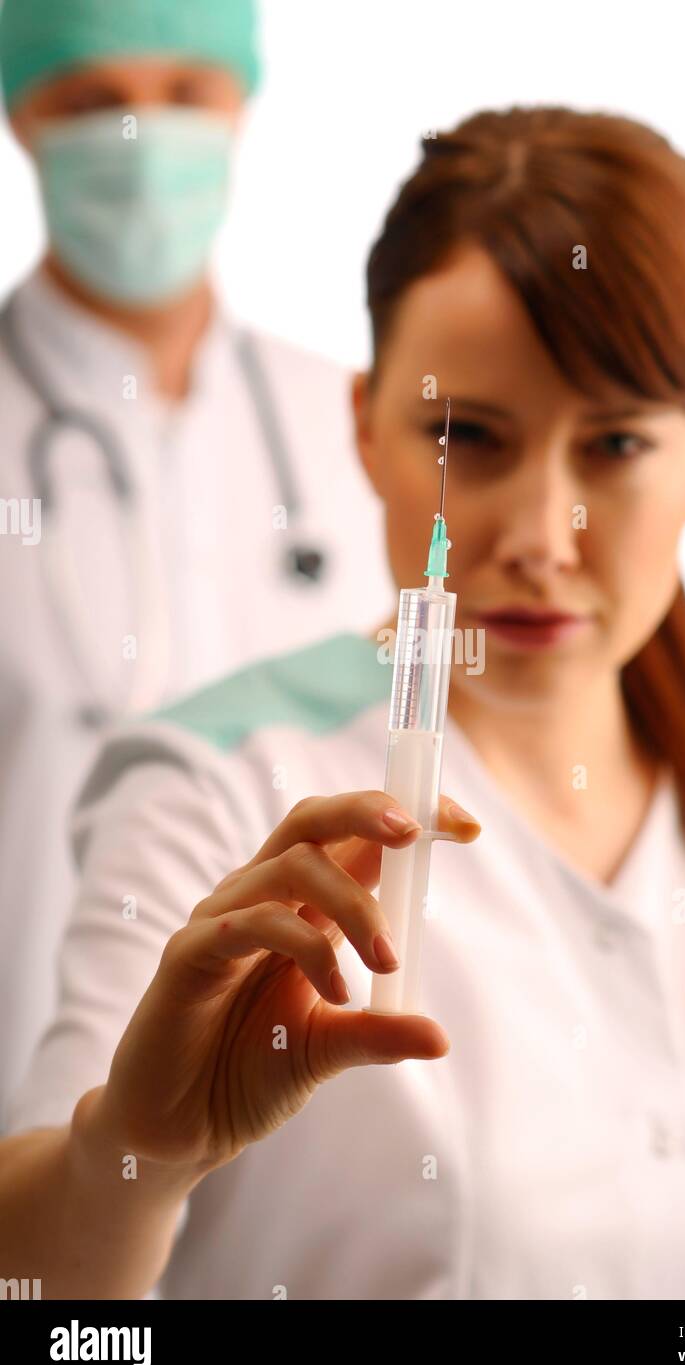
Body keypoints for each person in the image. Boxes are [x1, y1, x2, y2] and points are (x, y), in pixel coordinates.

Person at [1, 105, 685, 1301]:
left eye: (612, 446)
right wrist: (136, 1159)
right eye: (469, 435)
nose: (533, 539)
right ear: (362, 429)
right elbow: (39, 1294)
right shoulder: (213, 788)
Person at [0, 0, 394, 1125]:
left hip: (316, 1121)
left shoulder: (352, 426)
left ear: (241, 103)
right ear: (20, 114)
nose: (140, 136)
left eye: (184, 94)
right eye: (92, 100)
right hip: (27, 1121)